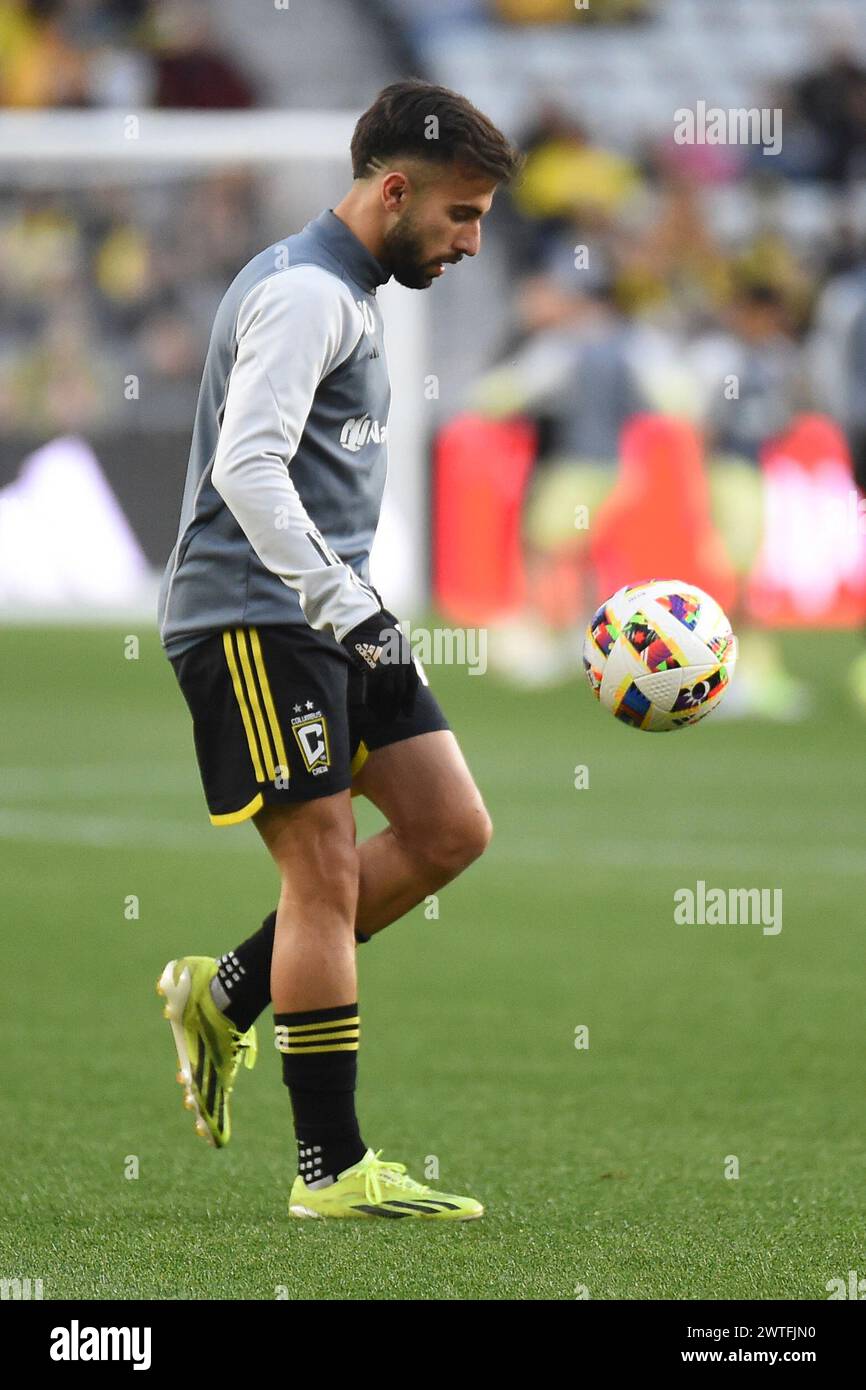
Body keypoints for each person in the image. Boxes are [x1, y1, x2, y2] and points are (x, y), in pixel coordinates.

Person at [155, 79, 521, 1220]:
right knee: (317, 875)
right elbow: (246, 468)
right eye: (459, 215)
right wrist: (341, 604)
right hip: (258, 619)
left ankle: (221, 994)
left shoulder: (349, 290)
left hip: (329, 610)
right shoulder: (307, 293)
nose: (467, 242)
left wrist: (354, 605)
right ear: (395, 190)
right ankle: (330, 1169)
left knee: (448, 827)